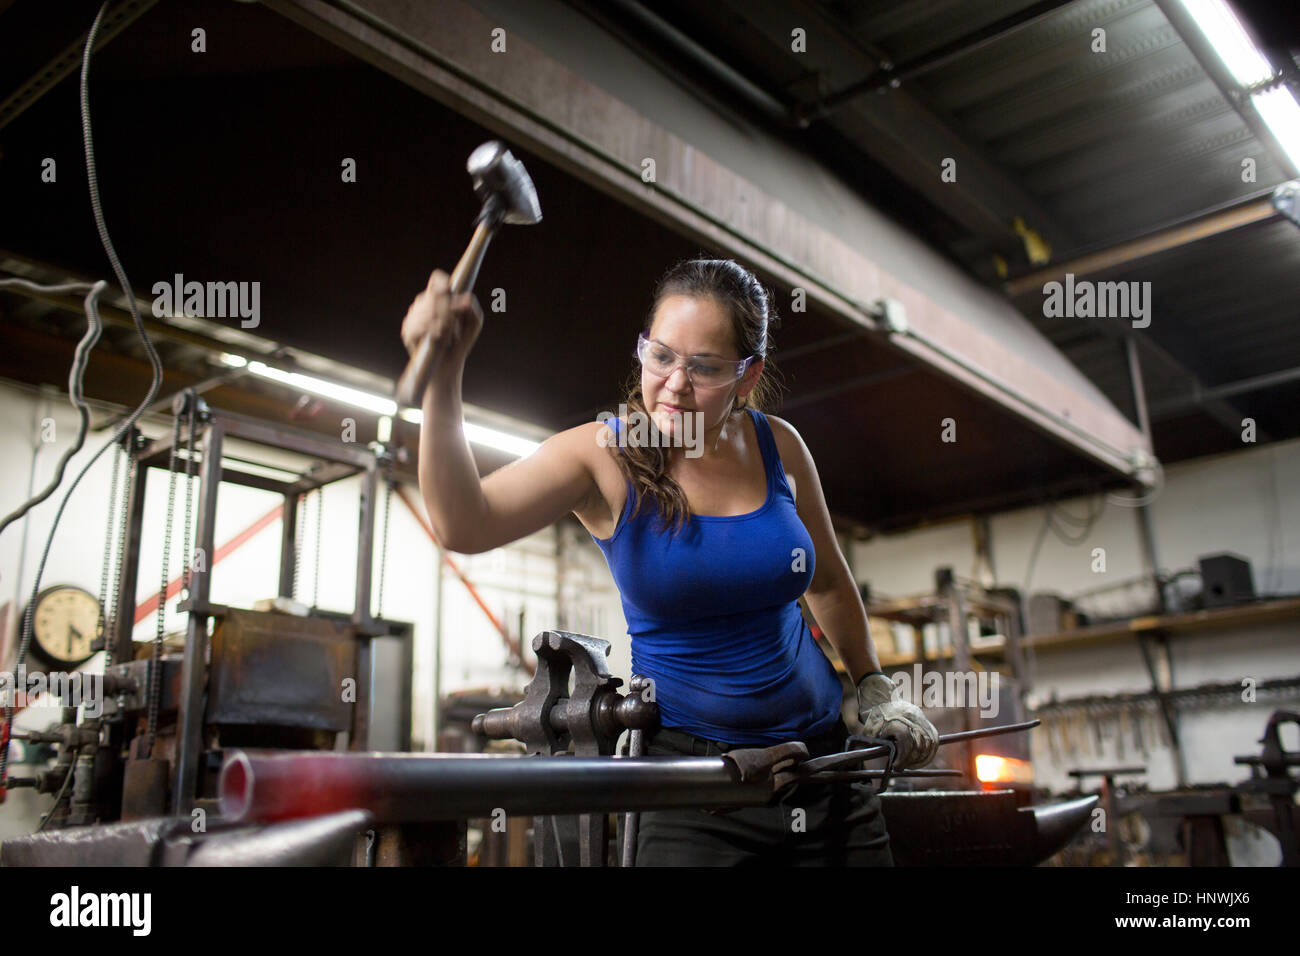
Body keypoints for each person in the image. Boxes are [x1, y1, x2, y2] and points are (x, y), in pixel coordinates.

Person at [400, 257, 939, 865]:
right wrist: (444, 376)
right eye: (661, 357)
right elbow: (462, 522)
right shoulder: (604, 457)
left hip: (825, 768)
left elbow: (831, 585)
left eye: (704, 367)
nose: (676, 384)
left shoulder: (778, 445)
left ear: (747, 374)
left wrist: (874, 686)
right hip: (697, 789)